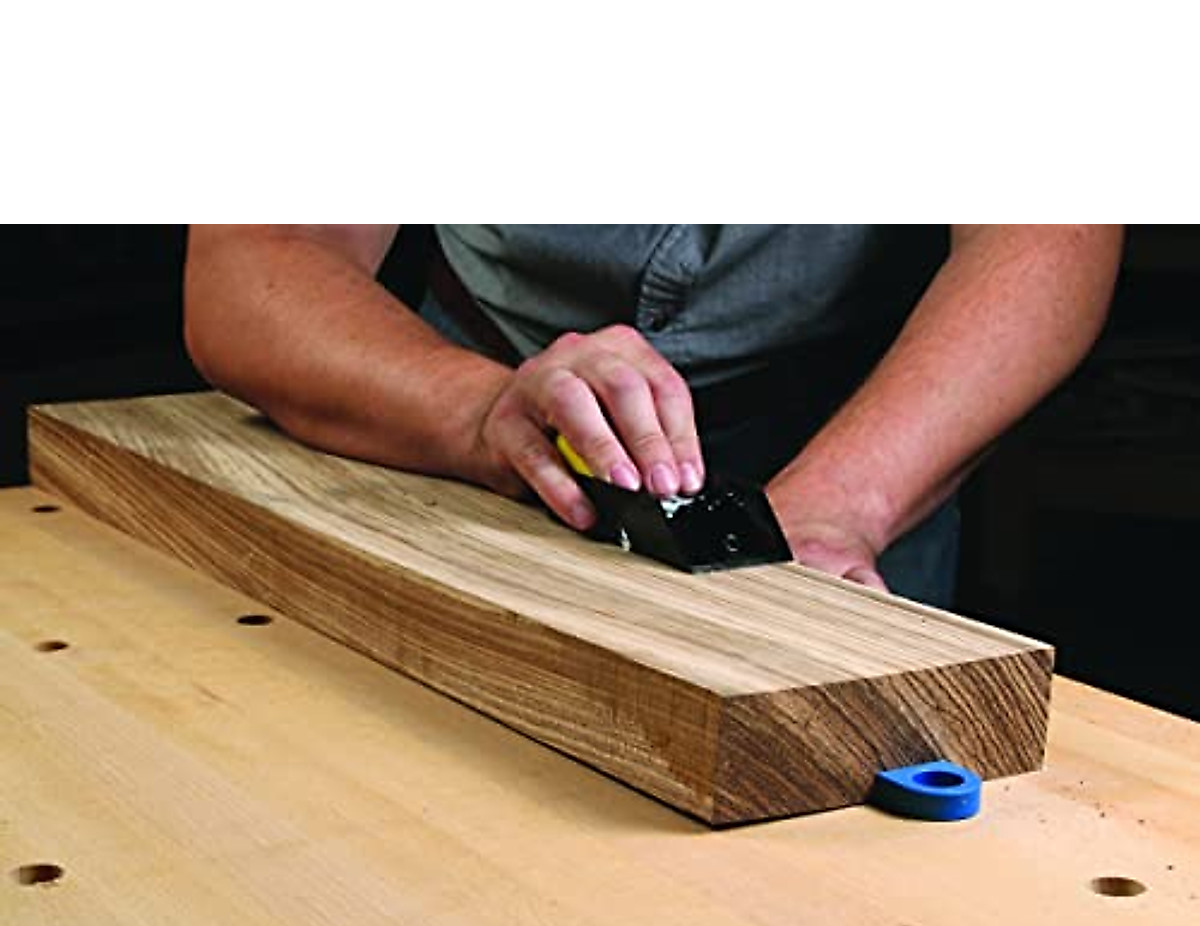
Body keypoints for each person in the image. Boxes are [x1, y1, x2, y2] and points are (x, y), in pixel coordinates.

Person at [182, 225, 1123, 608]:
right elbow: (258, 257)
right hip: (455, 436)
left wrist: (843, 505)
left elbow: (1051, 241)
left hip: (861, 440)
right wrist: (476, 412)